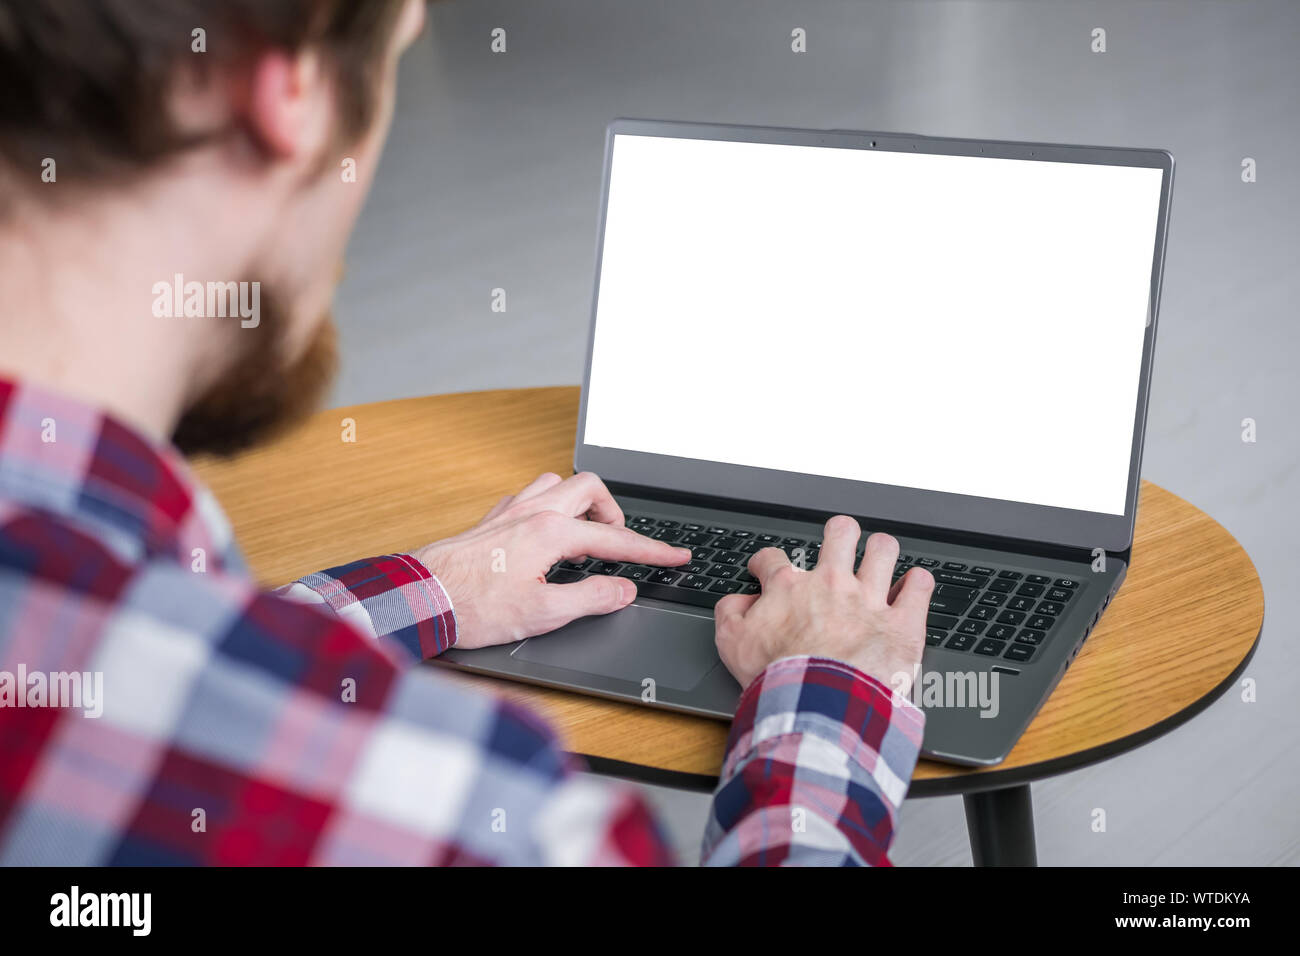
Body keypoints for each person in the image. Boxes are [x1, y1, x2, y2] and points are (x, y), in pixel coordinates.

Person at [0, 0, 934, 866]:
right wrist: (829, 688)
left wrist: (436, 587)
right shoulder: (478, 817)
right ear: (290, 91)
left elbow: (138, 661)